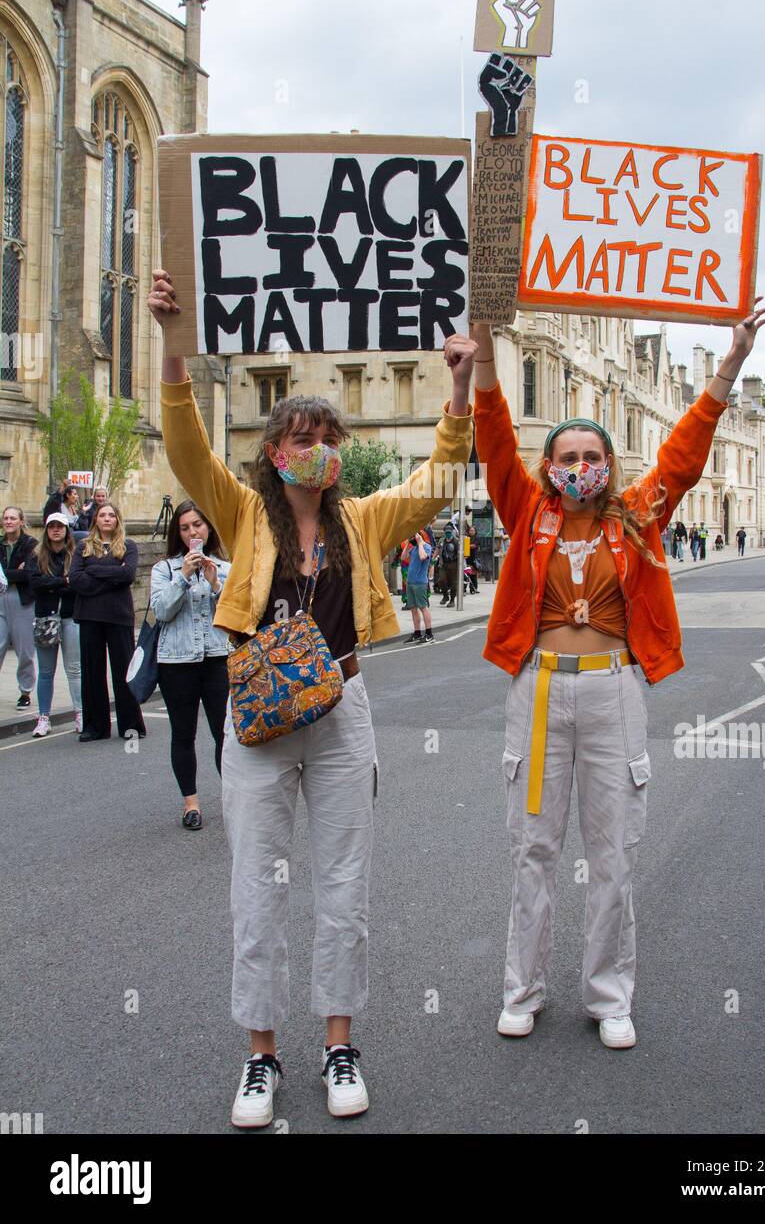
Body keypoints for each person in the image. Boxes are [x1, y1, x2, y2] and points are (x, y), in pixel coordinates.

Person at [148, 267, 476, 1128]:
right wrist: (175, 347)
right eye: (300, 436)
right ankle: (261, 1057)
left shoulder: (363, 519)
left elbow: (441, 481)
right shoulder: (240, 512)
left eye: (326, 435)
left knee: (344, 886)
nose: (314, 448)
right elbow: (185, 448)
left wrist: (461, 384)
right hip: (256, 726)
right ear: (274, 451)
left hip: (341, 719)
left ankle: (339, 1044)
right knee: (255, 889)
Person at [470, 303, 765, 1050]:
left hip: (613, 690)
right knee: (533, 848)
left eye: (589, 456)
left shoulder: (636, 515)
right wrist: (481, 360)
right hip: (539, 689)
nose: (578, 467)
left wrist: (729, 365)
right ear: (548, 469)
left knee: (612, 851)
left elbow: (684, 456)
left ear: (608, 465)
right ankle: (523, 990)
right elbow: (494, 441)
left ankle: (609, 996)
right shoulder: (525, 509)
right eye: (565, 457)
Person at [151, 500, 231, 831]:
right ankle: (191, 803)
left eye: (197, 525)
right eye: (184, 527)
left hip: (217, 659)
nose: (192, 532)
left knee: (224, 734)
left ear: (208, 527)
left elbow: (237, 614)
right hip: (177, 662)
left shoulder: (225, 566)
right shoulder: (164, 569)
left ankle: (233, 799)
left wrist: (214, 583)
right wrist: (183, 576)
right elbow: (161, 611)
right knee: (183, 734)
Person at [69, 503, 145, 743]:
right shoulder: (83, 547)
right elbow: (76, 580)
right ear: (95, 520)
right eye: (102, 515)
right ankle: (95, 726)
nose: (107, 519)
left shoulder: (128, 546)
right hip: (90, 616)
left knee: (124, 671)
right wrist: (112, 574)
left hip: (119, 616)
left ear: (117, 520)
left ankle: (130, 724)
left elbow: (128, 575)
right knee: (92, 672)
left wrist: (94, 570)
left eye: (111, 515)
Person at [27, 514, 83, 735]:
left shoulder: (75, 554)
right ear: (47, 530)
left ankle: (80, 713)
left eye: (60, 526)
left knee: (74, 669)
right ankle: (43, 717)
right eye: (52, 526)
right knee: (46, 671)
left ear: (67, 529)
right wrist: (62, 581)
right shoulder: (36, 555)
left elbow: (78, 583)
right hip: (45, 617)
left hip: (70, 616)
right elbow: (35, 583)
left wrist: (54, 584)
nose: (56, 530)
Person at [0, 506, 38, 709]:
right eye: (6, 518)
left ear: (21, 522)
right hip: (0, 598)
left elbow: (29, 574)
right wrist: (15, 571)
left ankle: (25, 691)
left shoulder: (30, 544)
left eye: (13, 518)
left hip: (22, 600)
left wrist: (6, 573)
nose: (8, 521)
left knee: (25, 650)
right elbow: (19, 573)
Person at [405, 529, 434, 644]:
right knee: (413, 608)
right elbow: (403, 557)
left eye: (414, 536)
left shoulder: (426, 547)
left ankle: (429, 634)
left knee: (423, 607)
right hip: (410, 582)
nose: (412, 538)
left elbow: (423, 557)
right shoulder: (414, 548)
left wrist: (420, 542)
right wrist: (408, 544)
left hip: (420, 583)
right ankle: (417, 633)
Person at [438, 523, 460, 605]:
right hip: (444, 564)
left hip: (454, 564)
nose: (448, 534)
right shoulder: (441, 540)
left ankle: (452, 600)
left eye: (449, 532)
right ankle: (445, 596)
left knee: (454, 583)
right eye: (446, 532)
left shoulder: (456, 541)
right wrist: (432, 558)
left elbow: (461, 553)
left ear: (452, 532)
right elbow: (438, 549)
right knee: (441, 580)